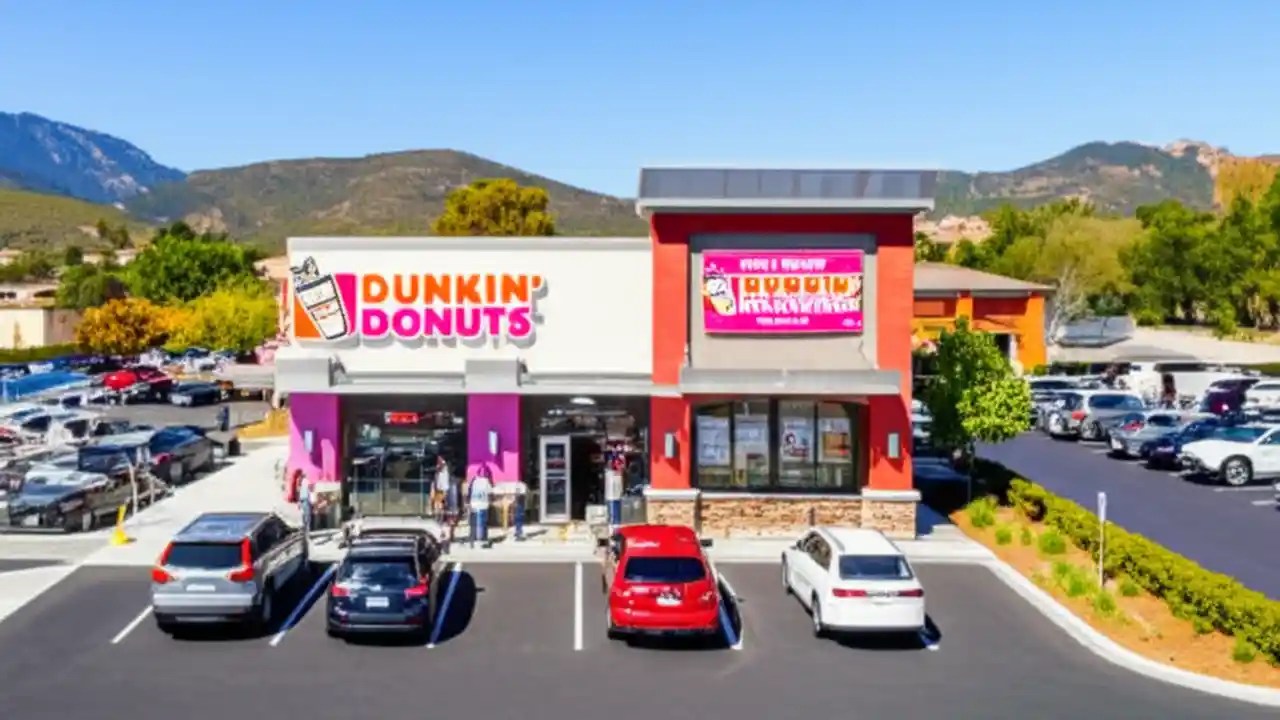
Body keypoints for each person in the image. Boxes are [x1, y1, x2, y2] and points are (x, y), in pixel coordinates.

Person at [467, 466, 494, 549]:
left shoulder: (473, 480)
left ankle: (473, 537)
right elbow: (490, 493)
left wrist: (468, 503)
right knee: (483, 522)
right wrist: (491, 501)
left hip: (473, 503)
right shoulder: (487, 481)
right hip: (483, 504)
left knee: (474, 522)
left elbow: (469, 491)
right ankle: (482, 538)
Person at [604, 454, 625, 528]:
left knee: (615, 508)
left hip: (616, 495)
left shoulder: (617, 473)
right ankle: (613, 522)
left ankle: (615, 522)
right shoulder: (609, 473)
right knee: (612, 508)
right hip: (611, 495)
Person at [432, 457, 450, 521]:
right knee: (439, 504)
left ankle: (441, 518)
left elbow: (442, 481)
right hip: (440, 489)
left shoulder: (444, 470)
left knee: (440, 504)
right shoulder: (440, 471)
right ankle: (439, 517)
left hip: (442, 489)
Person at [512, 477, 528, 541]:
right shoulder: (522, 485)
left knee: (518, 519)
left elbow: (519, 495)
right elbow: (522, 495)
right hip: (520, 504)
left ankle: (518, 532)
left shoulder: (518, 485)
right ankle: (518, 532)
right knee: (519, 519)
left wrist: (515, 502)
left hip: (519, 504)